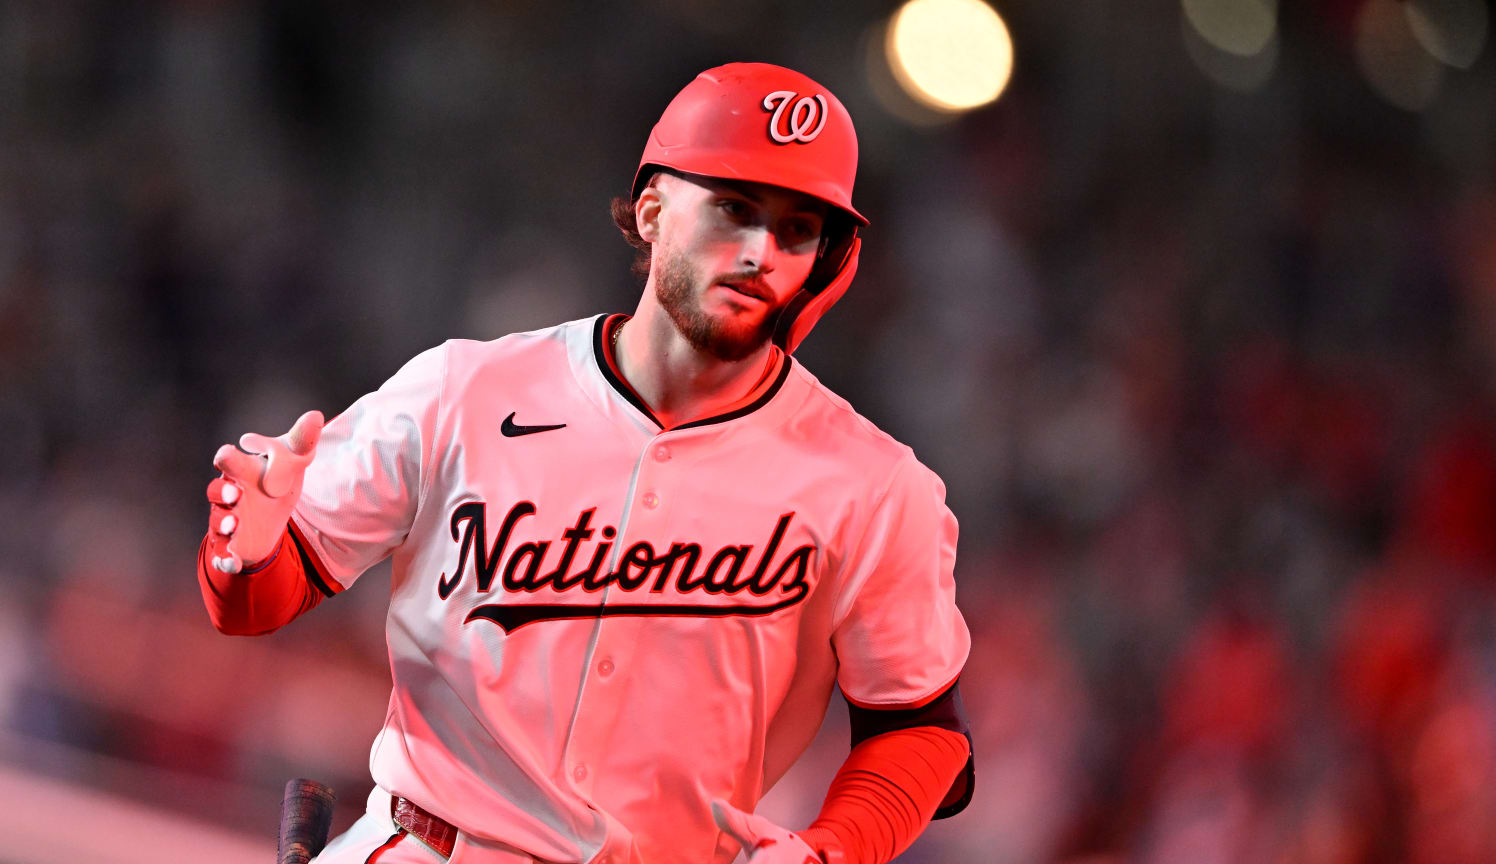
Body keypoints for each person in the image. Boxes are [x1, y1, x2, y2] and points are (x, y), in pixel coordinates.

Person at [199, 62, 972, 864]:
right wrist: (246, 549)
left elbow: (921, 731)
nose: (759, 252)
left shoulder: (875, 487)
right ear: (652, 209)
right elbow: (255, 599)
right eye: (735, 209)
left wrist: (833, 851)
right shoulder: (464, 388)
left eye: (796, 229)